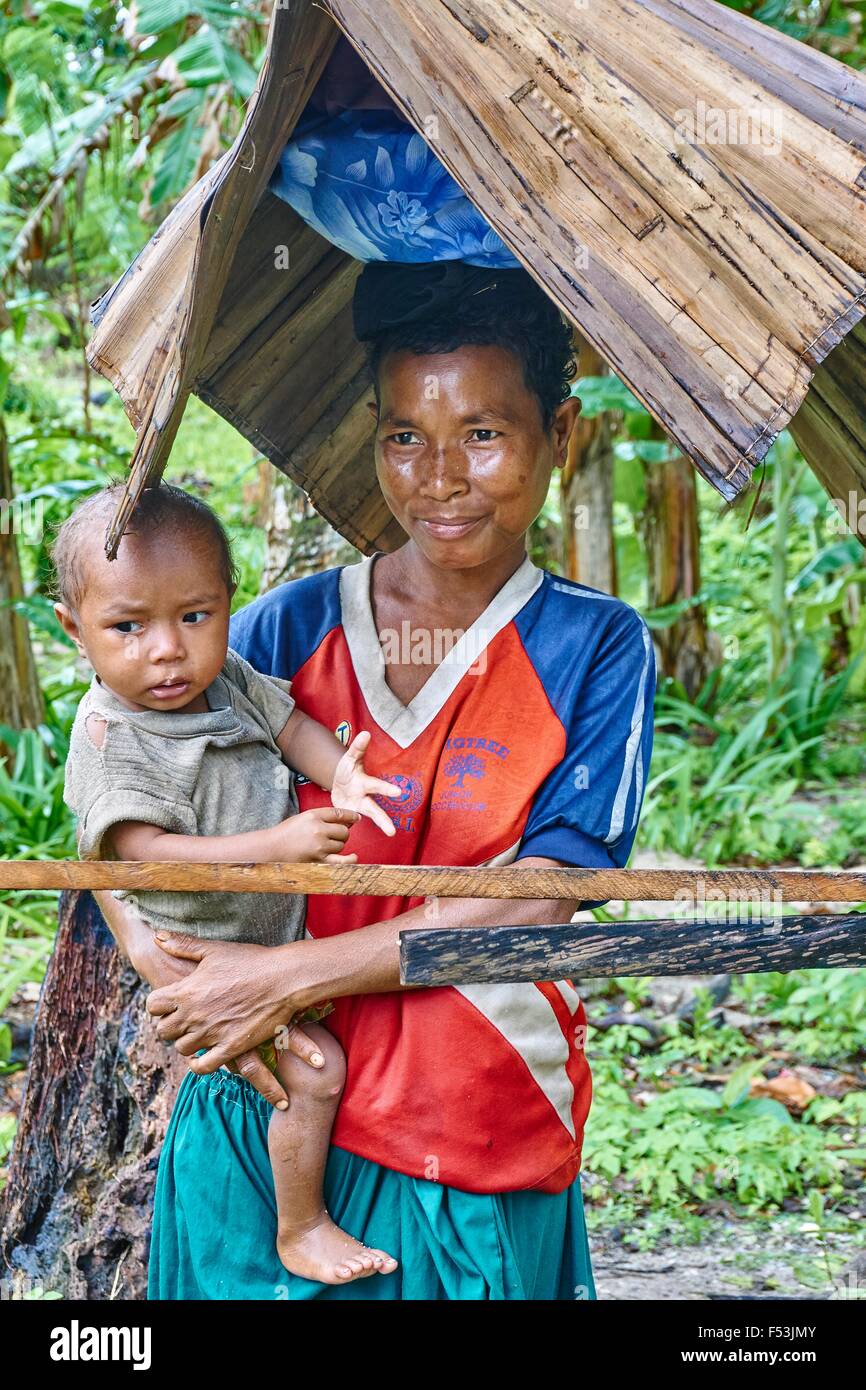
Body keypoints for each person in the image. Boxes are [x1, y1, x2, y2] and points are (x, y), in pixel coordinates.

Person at [95, 260, 656, 1300]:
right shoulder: (277, 631)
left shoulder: (595, 647)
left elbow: (541, 892)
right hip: (260, 1106)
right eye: (404, 435)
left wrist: (288, 975)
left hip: (468, 1122)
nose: (437, 476)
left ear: (562, 432)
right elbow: (122, 819)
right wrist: (158, 956)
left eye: (482, 434)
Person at [54, 484, 403, 1284]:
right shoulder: (110, 730)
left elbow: (289, 729)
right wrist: (279, 846)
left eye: (195, 617)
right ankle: (300, 1226)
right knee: (315, 1073)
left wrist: (338, 777)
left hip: (269, 938)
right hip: (198, 952)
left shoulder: (230, 678)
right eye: (128, 627)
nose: (167, 650)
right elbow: (141, 855)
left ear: (228, 604)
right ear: (77, 631)